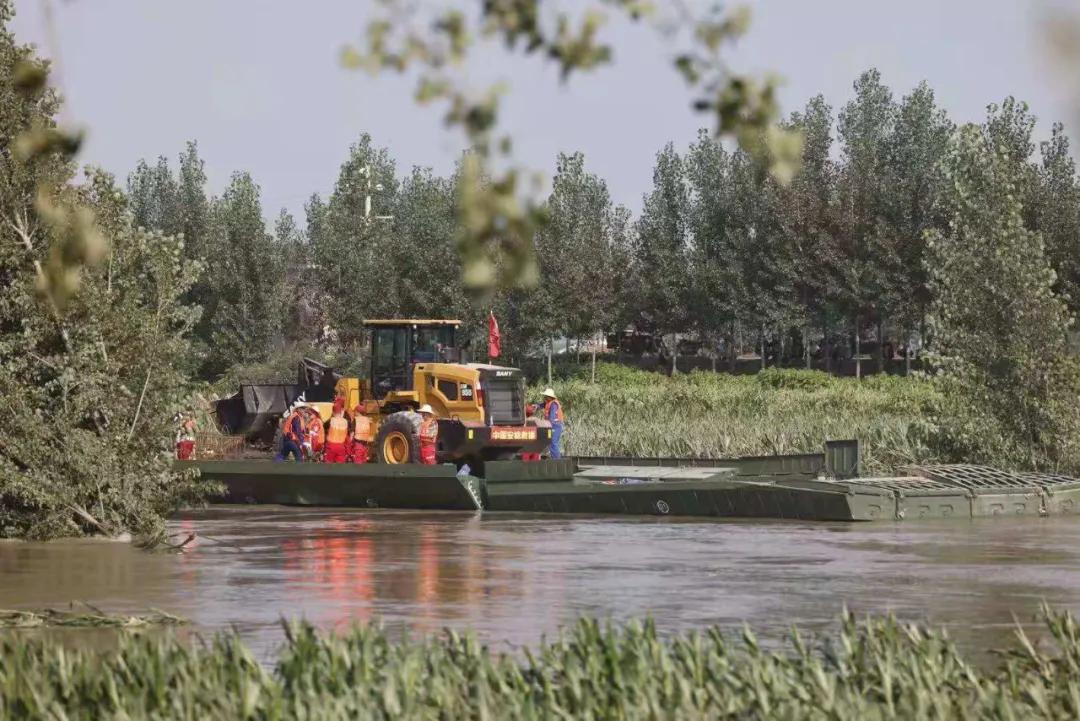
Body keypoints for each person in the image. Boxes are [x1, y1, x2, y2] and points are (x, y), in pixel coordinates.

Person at [541, 388, 564, 459]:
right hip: (551, 426)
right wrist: (535, 406)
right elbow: (540, 405)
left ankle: (557, 460)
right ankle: (554, 458)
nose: (544, 397)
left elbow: (551, 417)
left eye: (546, 396)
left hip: (555, 426)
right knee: (550, 442)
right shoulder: (548, 403)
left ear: (550, 397)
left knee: (553, 443)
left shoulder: (554, 404)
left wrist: (546, 425)